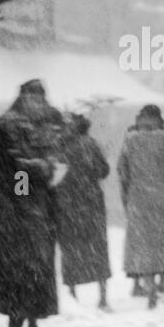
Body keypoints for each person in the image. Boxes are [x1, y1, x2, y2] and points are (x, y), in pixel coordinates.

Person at [0, 79, 64, 327]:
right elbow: (16, 171)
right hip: (16, 212)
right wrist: (35, 180)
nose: (40, 105)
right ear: (24, 98)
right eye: (35, 99)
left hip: (31, 210)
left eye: (42, 100)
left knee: (32, 273)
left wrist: (46, 169)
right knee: (22, 274)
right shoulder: (10, 125)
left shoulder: (31, 124)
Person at [117, 104, 164, 310]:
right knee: (163, 241)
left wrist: (127, 197)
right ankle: (162, 281)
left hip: (138, 198)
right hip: (163, 196)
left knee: (143, 245)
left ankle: (149, 285)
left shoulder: (130, 141)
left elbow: (122, 172)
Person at [56, 109, 112, 310]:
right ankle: (103, 296)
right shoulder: (91, 144)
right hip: (91, 203)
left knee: (71, 249)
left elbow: (50, 175)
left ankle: (72, 295)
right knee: (97, 249)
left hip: (68, 204)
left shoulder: (59, 145)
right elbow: (104, 170)